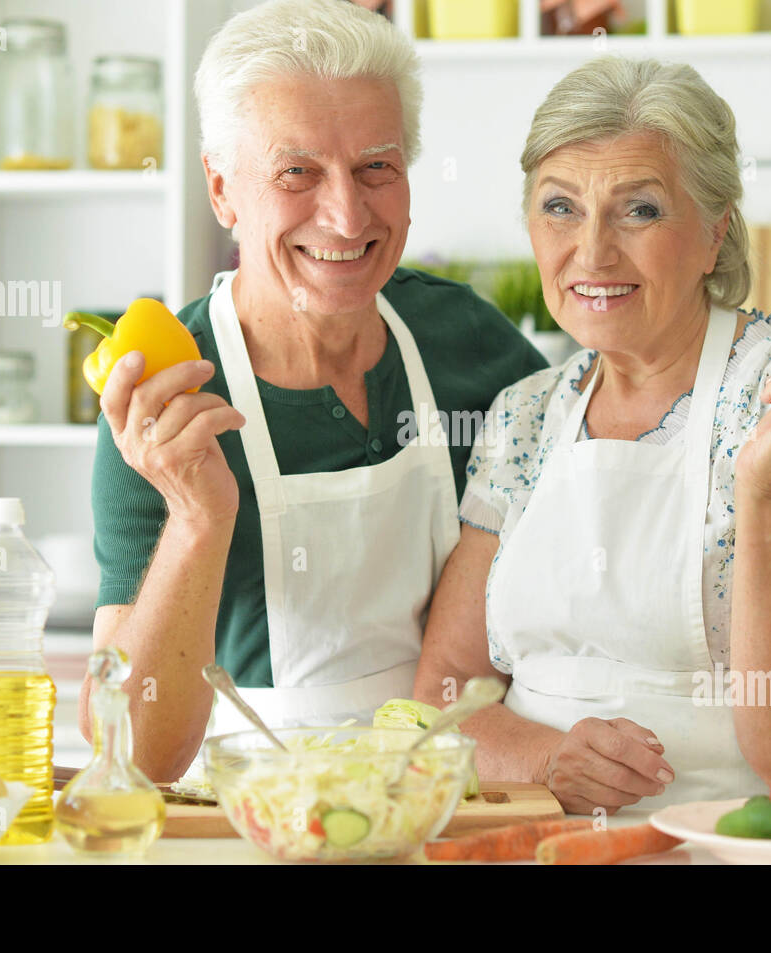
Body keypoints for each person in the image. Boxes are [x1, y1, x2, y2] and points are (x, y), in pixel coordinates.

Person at [413, 57, 771, 812]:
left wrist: (761, 491)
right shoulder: (525, 416)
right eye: (560, 207)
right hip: (546, 845)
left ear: (714, 229)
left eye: (641, 211)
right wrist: (547, 759)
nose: (592, 252)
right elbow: (442, 697)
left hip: (741, 847)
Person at [81, 0, 547, 781]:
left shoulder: (466, 340)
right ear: (223, 189)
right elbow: (135, 753)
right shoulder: (170, 398)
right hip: (249, 814)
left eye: (377, 167)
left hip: (456, 803)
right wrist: (199, 515)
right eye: (298, 172)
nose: (345, 213)